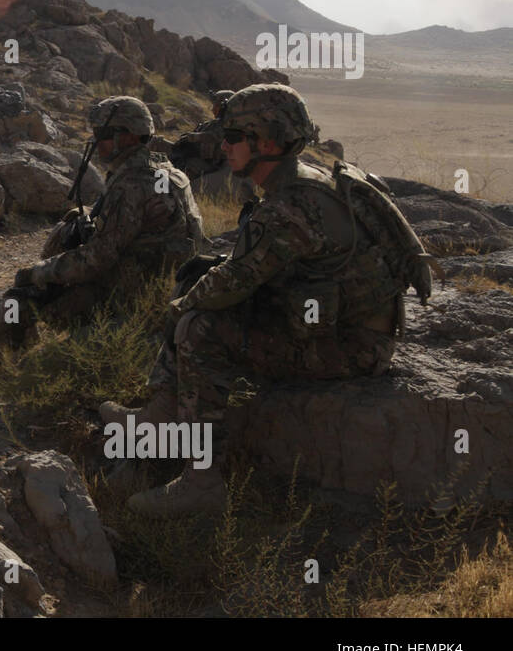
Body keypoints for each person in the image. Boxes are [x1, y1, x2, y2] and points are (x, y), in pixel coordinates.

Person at [112, 83, 433, 517]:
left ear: (266, 143)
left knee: (199, 327)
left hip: (351, 348)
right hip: (342, 328)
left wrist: (177, 310)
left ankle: (201, 482)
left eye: (233, 137)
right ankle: (156, 422)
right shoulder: (303, 184)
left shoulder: (290, 207)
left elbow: (233, 283)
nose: (223, 146)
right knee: (199, 278)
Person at [0, 96, 205, 363]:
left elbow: (99, 257)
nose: (97, 141)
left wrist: (41, 271)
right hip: (162, 285)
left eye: (104, 134)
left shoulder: (132, 182)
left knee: (22, 297)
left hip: (125, 293)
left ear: (130, 136)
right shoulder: (167, 170)